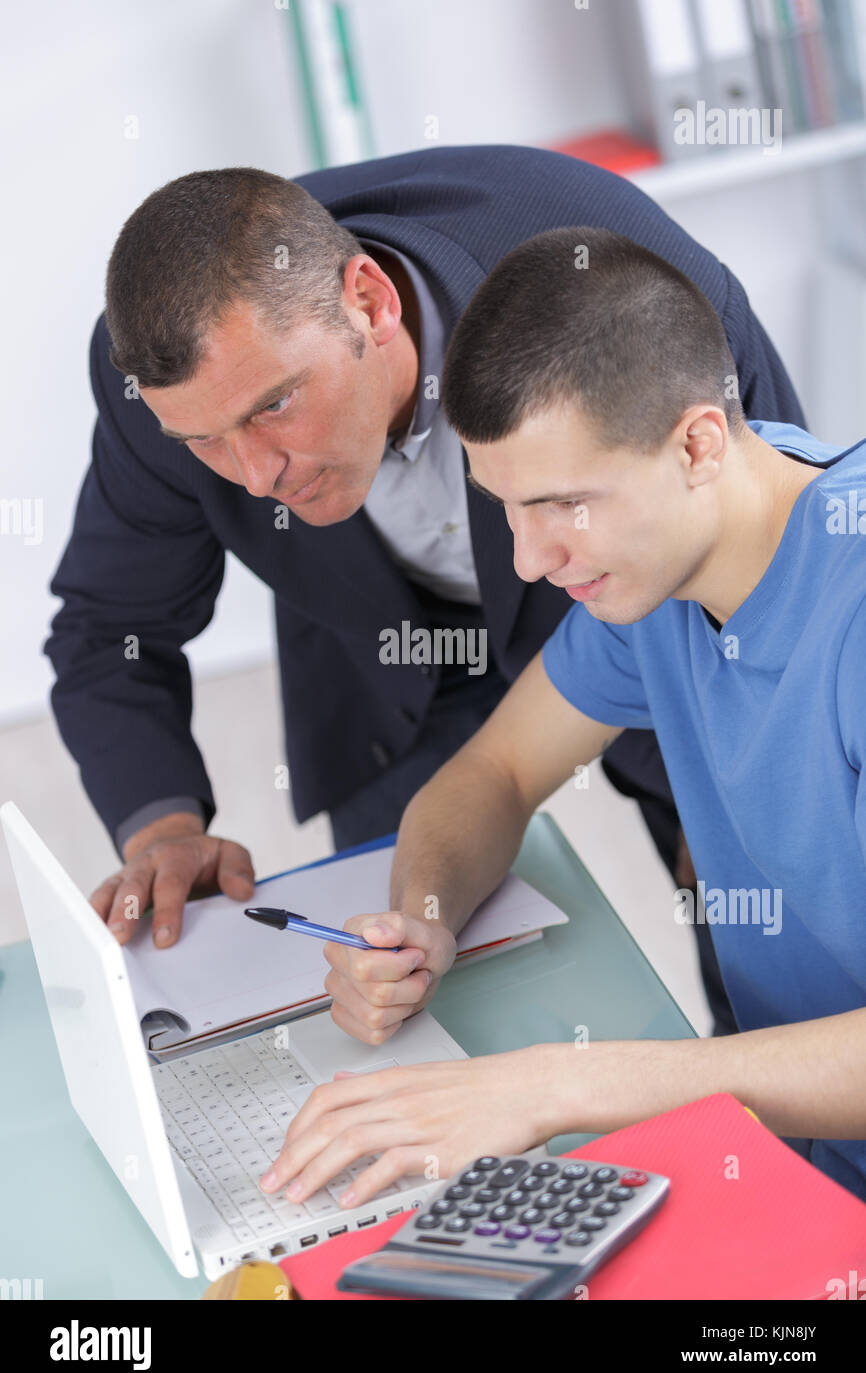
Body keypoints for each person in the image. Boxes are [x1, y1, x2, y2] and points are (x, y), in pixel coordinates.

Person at [46, 146, 803, 1038]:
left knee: (757, 914)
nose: (251, 476)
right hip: (389, 663)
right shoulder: (169, 386)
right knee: (398, 979)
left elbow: (760, 566)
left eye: (273, 409)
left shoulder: (633, 295)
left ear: (369, 303)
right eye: (204, 441)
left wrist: (735, 797)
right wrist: (161, 830)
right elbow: (109, 629)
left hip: (629, 614)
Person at [256, 227, 866, 1211]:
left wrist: (553, 1085)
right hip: (795, 1153)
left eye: (561, 505)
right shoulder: (665, 570)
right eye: (506, 508)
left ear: (697, 443)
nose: (531, 560)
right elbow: (492, 773)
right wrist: (420, 923)